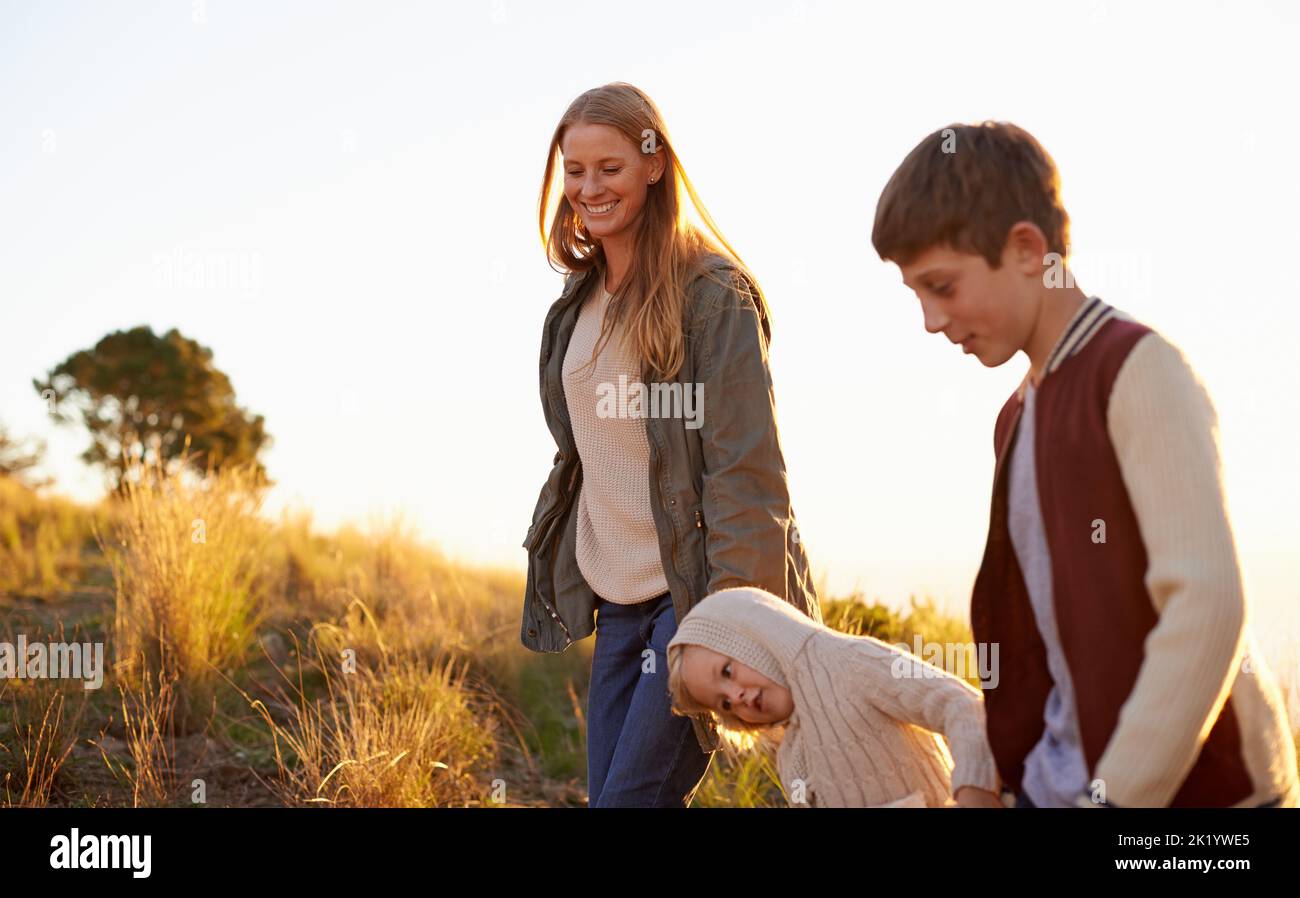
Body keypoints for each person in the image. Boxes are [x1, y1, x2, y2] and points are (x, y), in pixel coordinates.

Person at [870, 120, 1299, 808]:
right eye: (916, 293)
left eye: (942, 286)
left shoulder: (1137, 371)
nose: (929, 319)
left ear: (1026, 248)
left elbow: (1209, 605)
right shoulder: (1013, 418)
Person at [521, 82, 821, 807]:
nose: (589, 188)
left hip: (692, 600)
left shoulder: (713, 296)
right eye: (575, 169)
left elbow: (749, 477)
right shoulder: (576, 304)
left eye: (610, 168)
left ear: (654, 166)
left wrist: (733, 625)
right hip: (619, 603)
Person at [666, 586, 1003, 808]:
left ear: (756, 634)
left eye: (727, 671)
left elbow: (960, 704)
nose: (735, 696)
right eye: (723, 704)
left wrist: (975, 791)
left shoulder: (851, 662)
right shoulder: (791, 756)